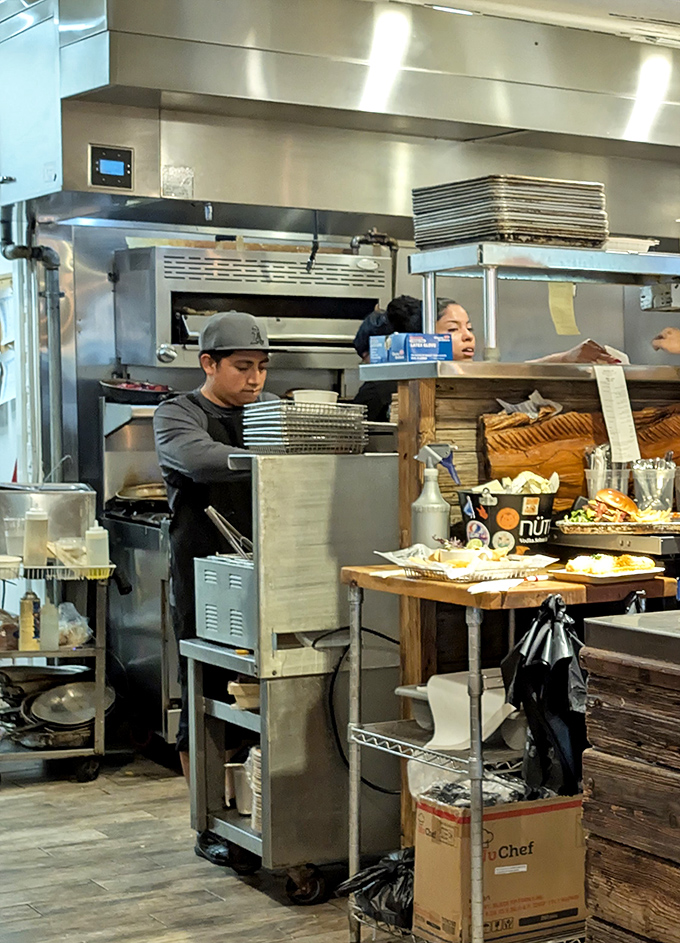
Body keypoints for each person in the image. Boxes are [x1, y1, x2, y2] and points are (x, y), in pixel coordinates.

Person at [153, 311, 276, 866]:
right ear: (209, 364)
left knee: (262, 693)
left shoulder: (267, 414)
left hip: (266, 571)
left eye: (261, 368)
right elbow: (201, 462)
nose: (254, 379)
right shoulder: (178, 412)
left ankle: (258, 808)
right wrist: (276, 457)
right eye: (242, 367)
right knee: (206, 691)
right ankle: (206, 821)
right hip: (204, 575)